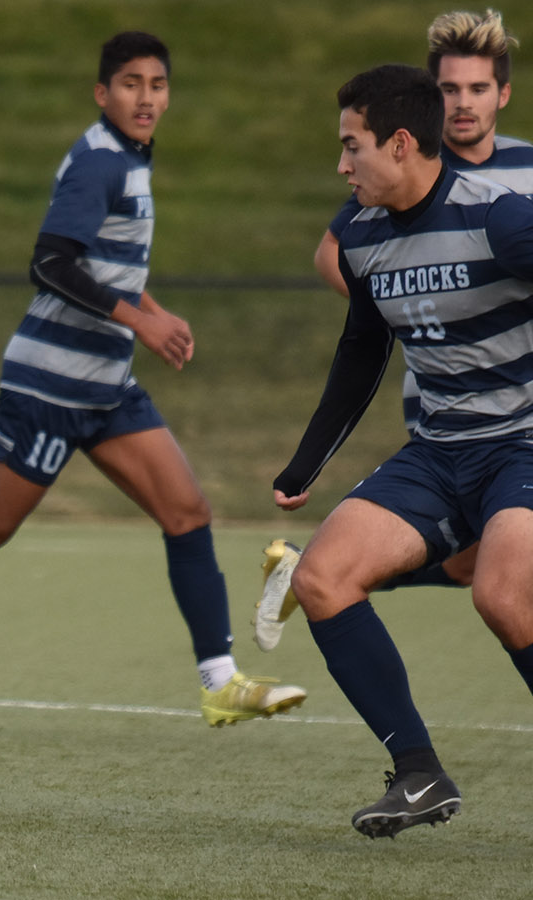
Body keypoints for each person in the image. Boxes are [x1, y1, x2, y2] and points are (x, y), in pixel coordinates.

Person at [0, 31, 306, 727]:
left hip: (106, 385)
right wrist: (141, 322)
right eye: (131, 84)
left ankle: (221, 683)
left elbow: (102, 263)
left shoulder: (130, 158)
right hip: (50, 387)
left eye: (157, 84)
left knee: (187, 513)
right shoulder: (101, 162)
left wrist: (150, 310)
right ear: (103, 93)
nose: (146, 97)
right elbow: (51, 263)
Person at [273, 63, 533, 837]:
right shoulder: (360, 235)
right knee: (321, 578)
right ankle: (419, 774)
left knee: (502, 597)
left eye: (351, 146)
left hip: (523, 444)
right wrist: (307, 462)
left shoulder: (499, 218)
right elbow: (362, 352)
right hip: (440, 452)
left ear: (398, 144)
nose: (342, 164)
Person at [257, 8, 527, 651]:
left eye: (478, 88)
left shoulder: (518, 182)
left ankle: (313, 570)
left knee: (483, 573)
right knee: (488, 572)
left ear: (503, 94)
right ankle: (324, 572)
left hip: (518, 417)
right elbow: (347, 267)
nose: (463, 102)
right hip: (441, 414)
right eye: (450, 89)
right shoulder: (389, 179)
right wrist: (415, 304)